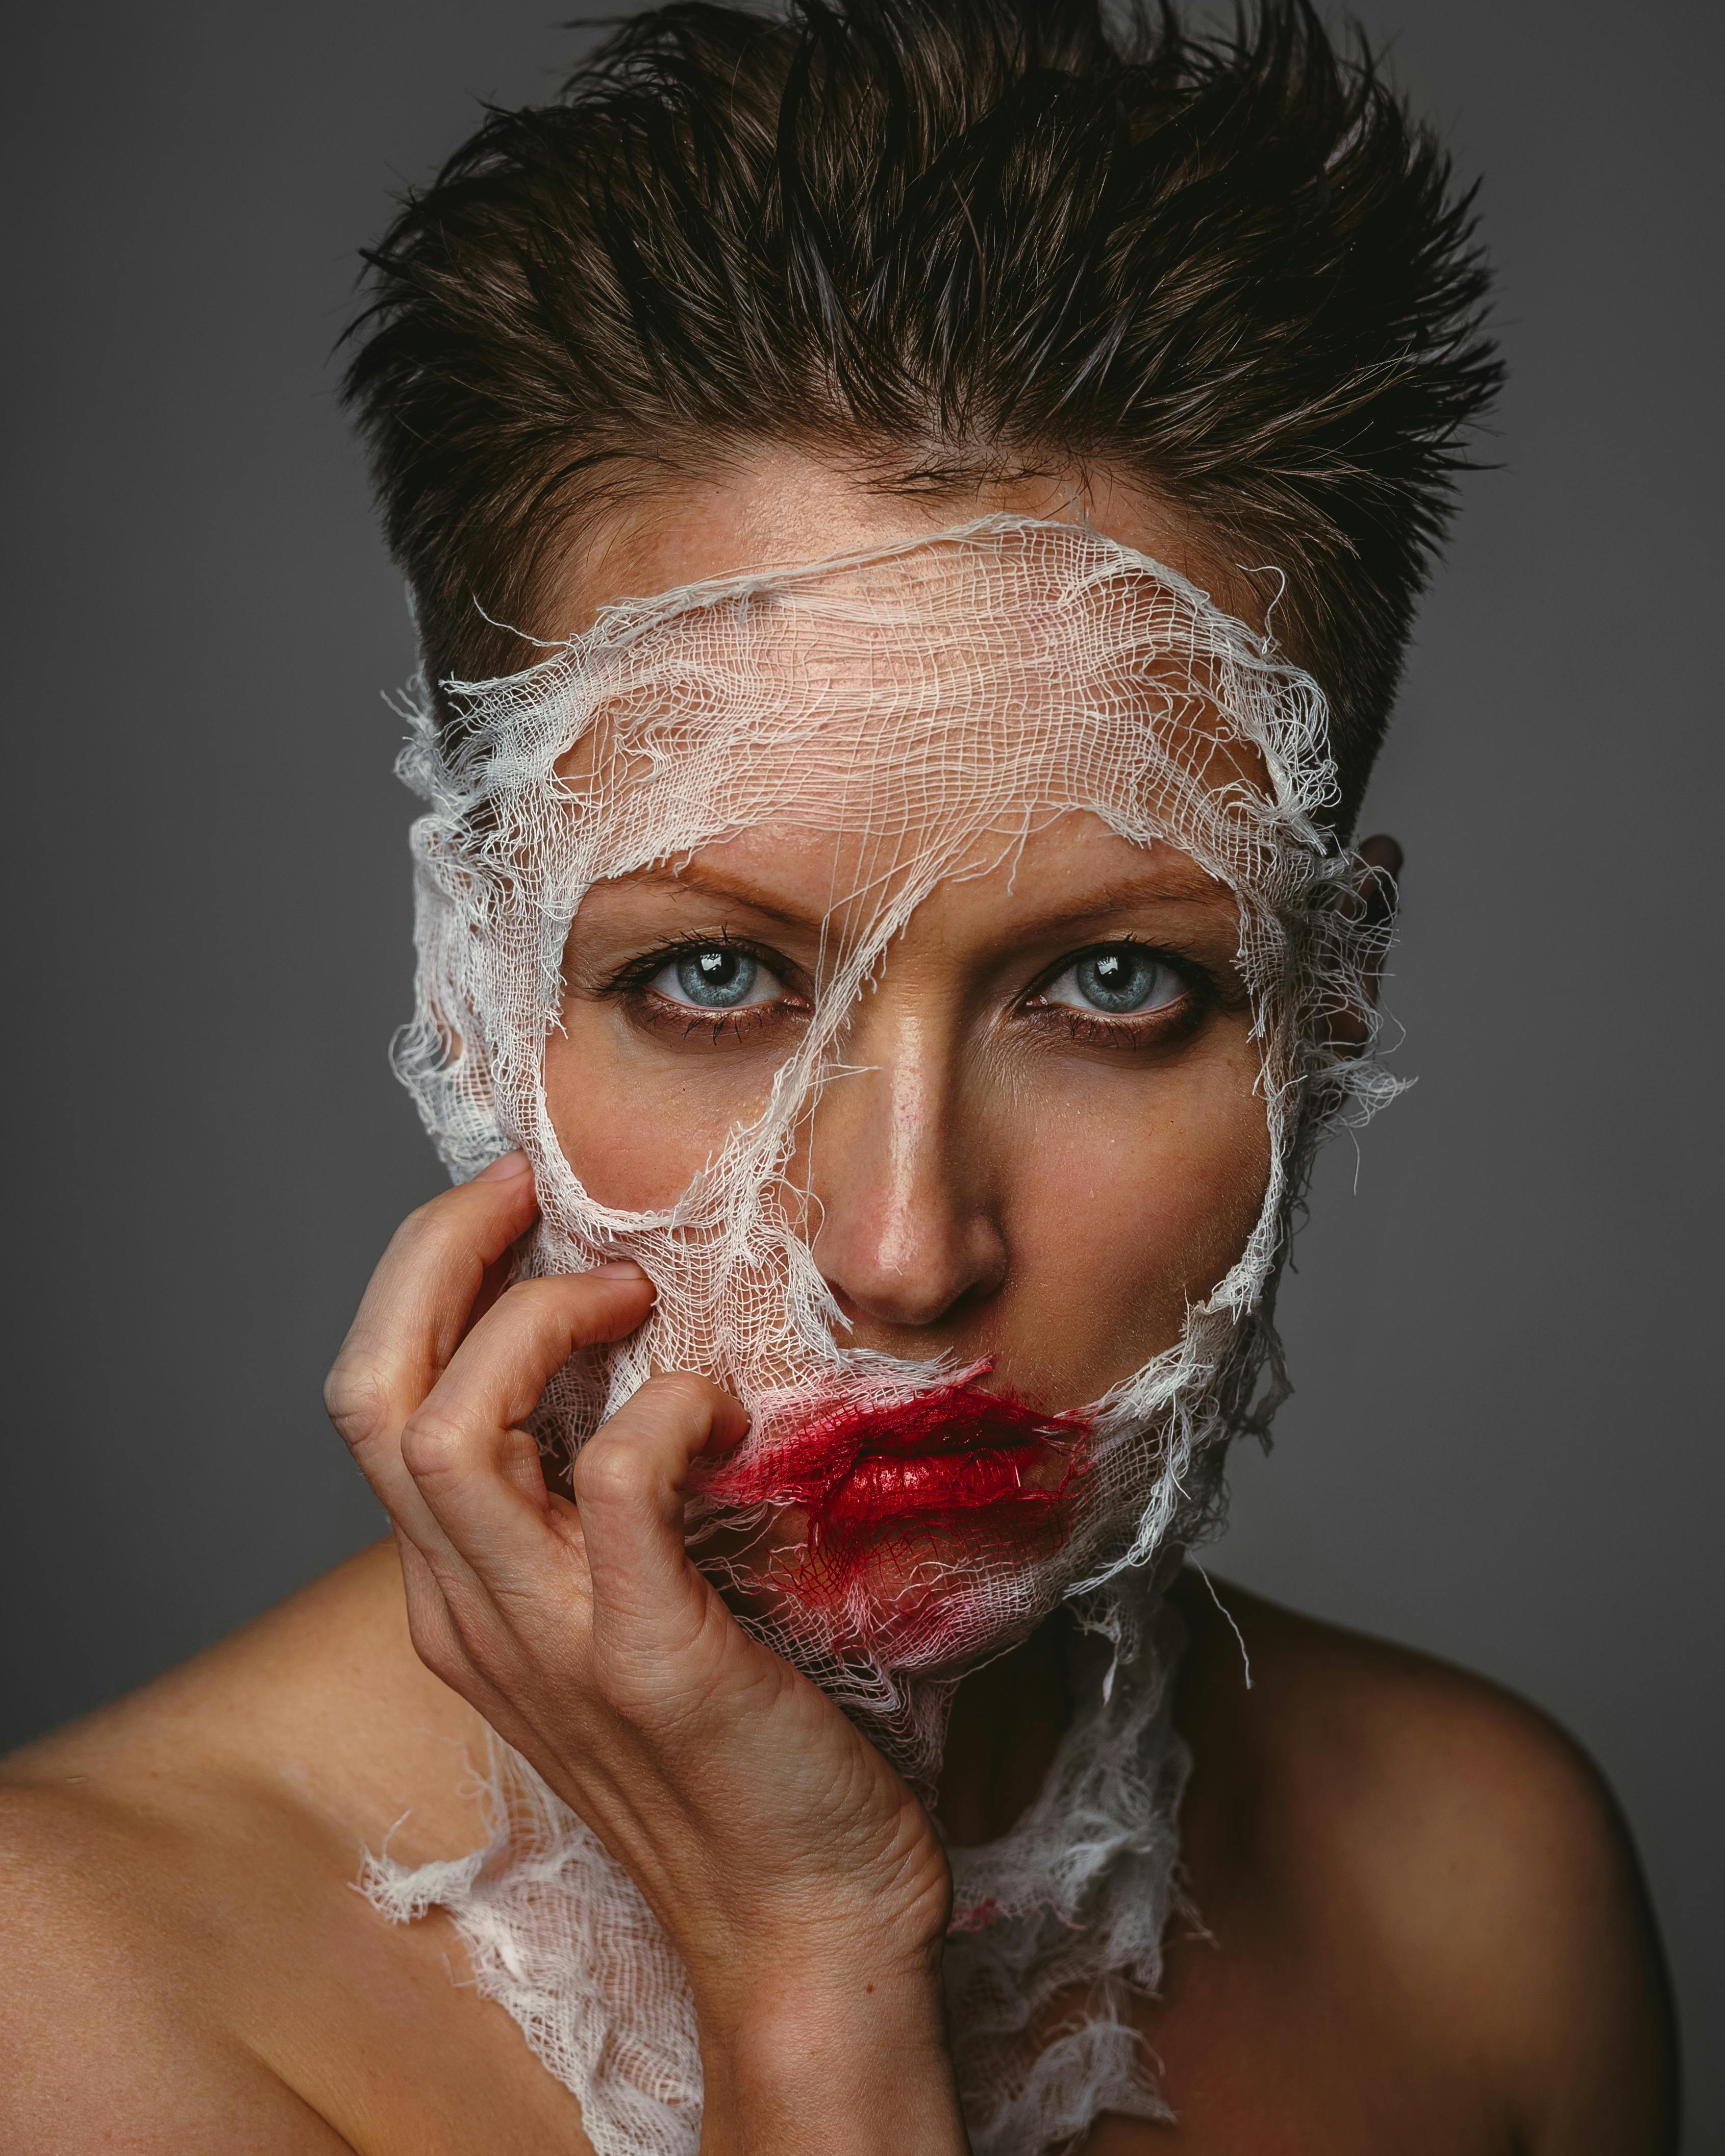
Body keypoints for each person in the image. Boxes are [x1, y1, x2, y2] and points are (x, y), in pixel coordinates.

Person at [0, 4, 1677, 2151]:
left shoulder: (1481, 1902)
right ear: (477, 976)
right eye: (710, 972)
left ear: (1329, 1000)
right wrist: (806, 1963)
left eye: (1108, 986)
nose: (902, 1251)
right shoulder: (84, 2003)